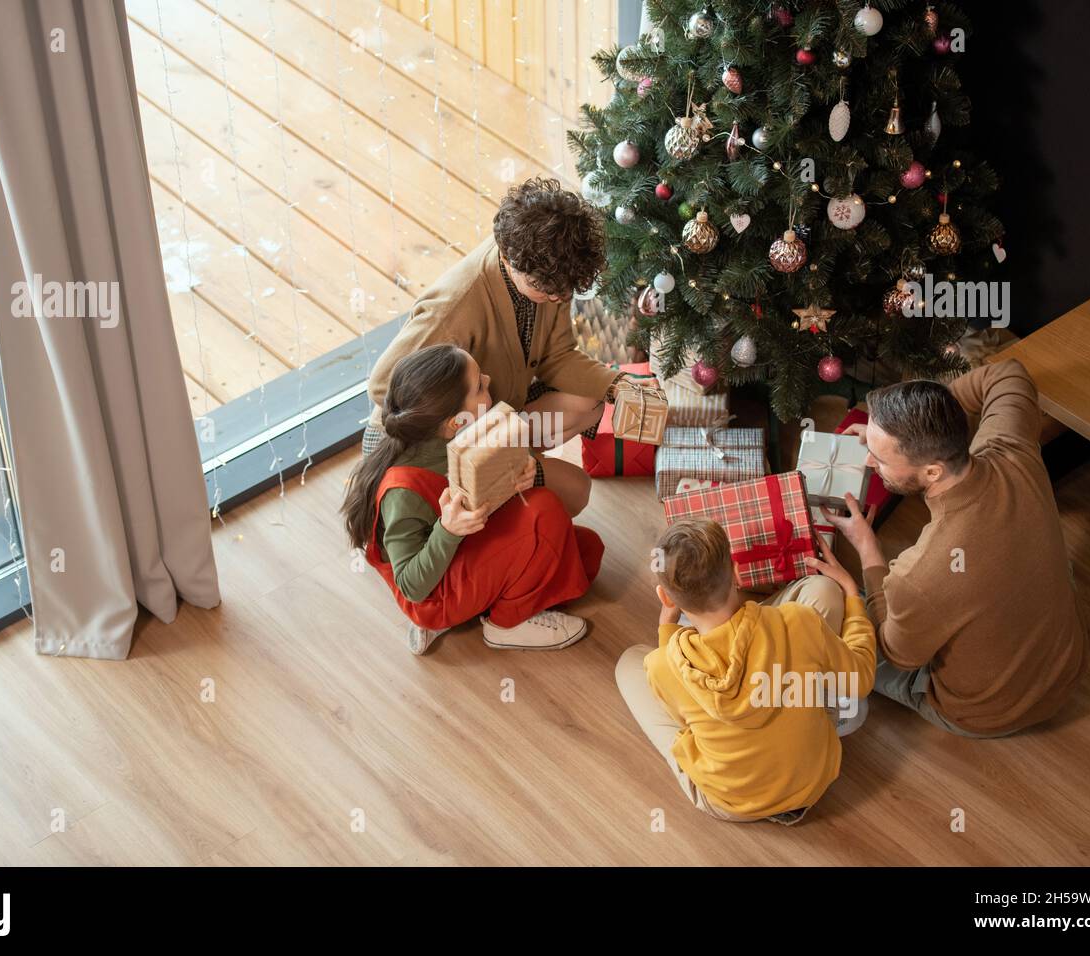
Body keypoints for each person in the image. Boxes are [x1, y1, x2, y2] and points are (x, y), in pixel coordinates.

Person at [822, 359, 1090, 737]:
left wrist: (868, 549)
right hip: (1068, 664)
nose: (869, 459)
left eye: (880, 457)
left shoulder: (919, 574)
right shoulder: (1011, 447)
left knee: (837, 615)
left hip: (989, 711)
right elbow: (1008, 373)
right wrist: (926, 419)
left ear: (932, 471)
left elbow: (897, 654)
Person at [363, 177, 625, 518]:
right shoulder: (455, 306)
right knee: (573, 493)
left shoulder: (551, 272)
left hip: (492, 416)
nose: (559, 297)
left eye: (565, 289)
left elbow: (557, 357)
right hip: (428, 447)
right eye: (546, 289)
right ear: (508, 256)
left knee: (591, 402)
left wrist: (615, 384)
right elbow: (382, 385)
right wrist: (464, 426)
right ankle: (501, 479)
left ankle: (510, 466)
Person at [342, 344, 603, 655]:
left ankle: (484, 604)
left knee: (585, 551)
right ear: (456, 421)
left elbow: (492, 490)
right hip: (430, 594)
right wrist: (448, 531)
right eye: (480, 385)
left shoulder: (463, 434)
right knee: (544, 512)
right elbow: (411, 586)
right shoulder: (402, 491)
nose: (489, 380)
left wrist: (524, 473)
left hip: (461, 555)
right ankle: (505, 625)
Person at [614, 518, 876, 824]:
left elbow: (681, 717)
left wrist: (667, 630)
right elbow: (862, 679)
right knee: (823, 589)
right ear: (737, 573)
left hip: (731, 801)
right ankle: (823, 708)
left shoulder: (663, 665)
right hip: (814, 778)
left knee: (631, 662)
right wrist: (852, 596)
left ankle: (728, 746)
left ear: (665, 597)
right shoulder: (798, 620)